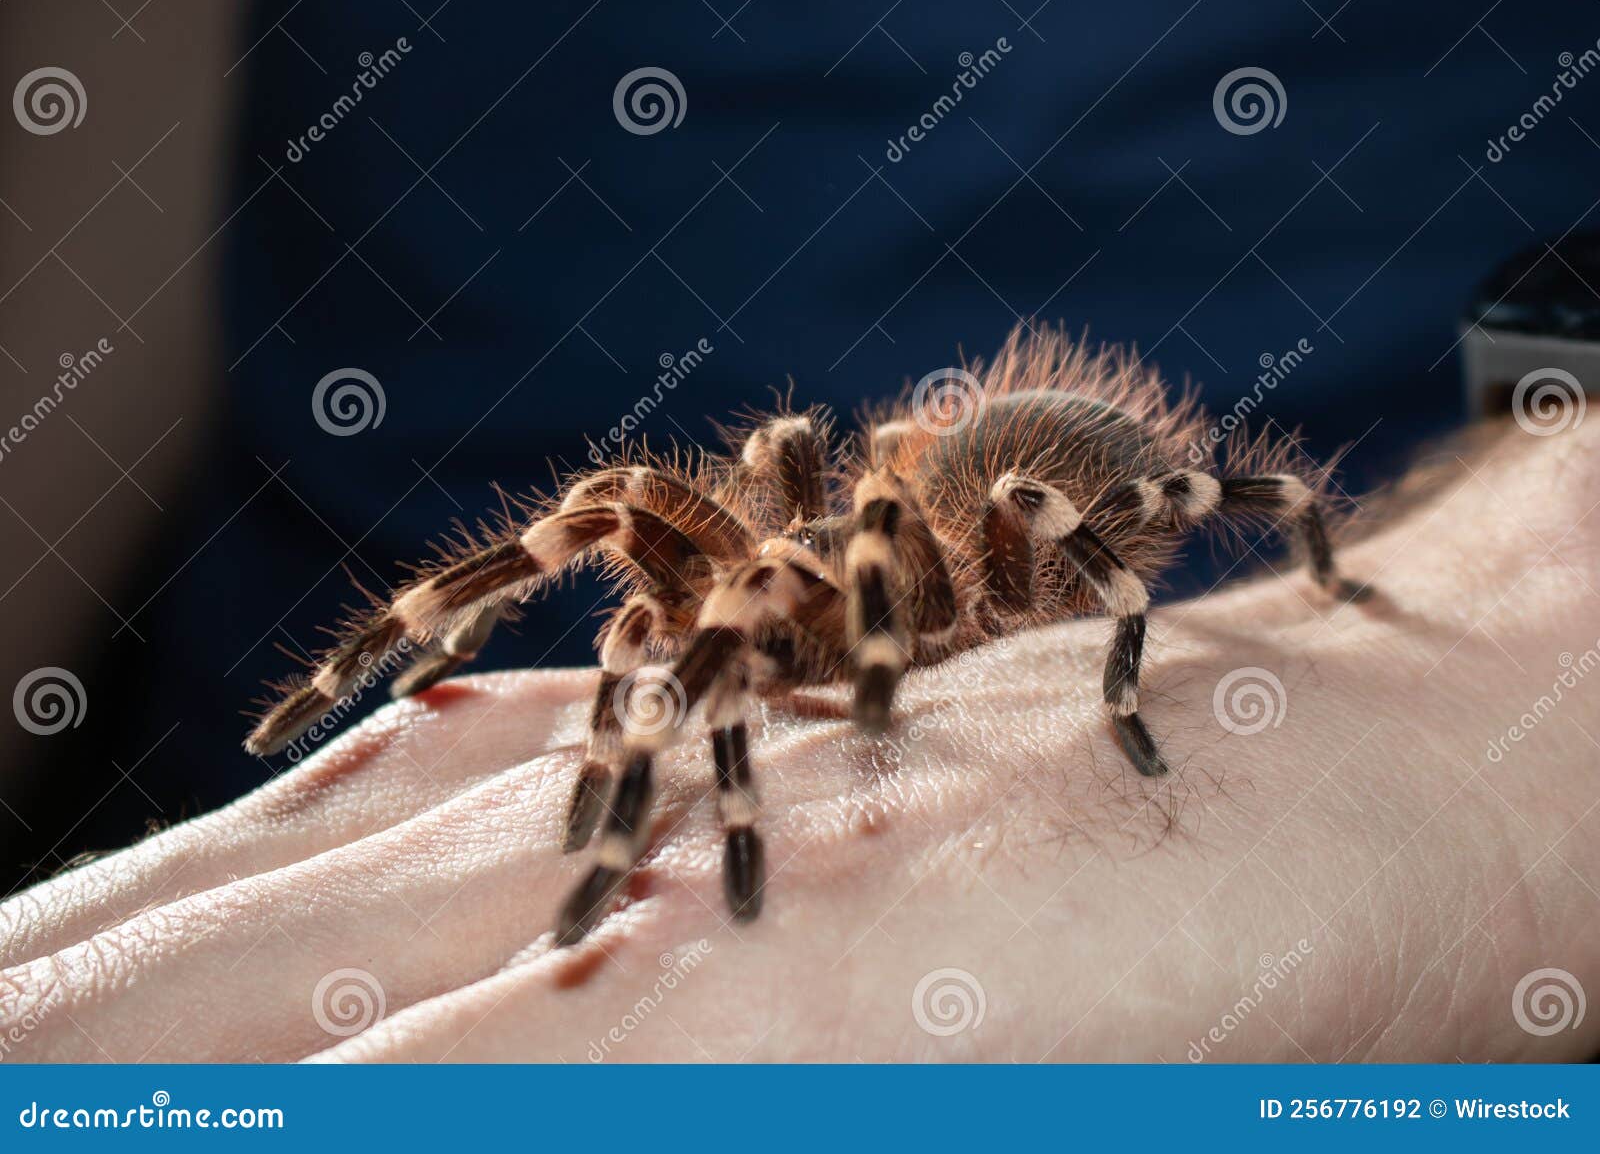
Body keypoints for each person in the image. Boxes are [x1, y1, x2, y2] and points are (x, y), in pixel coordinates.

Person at [1, 418, 1594, 1061]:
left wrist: (1491, 668)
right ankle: (382, 650)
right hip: (233, 610)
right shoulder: (754, 566)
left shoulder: (971, 536)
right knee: (619, 504)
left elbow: (1059, 520)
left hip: (1032, 538)